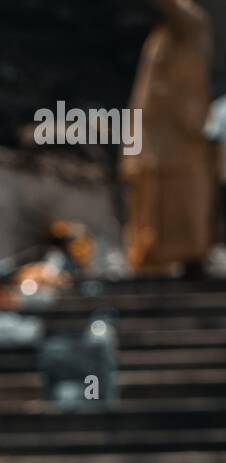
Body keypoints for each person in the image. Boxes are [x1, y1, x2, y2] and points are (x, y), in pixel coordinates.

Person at [122, 0, 214, 274]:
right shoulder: (160, 38)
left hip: (178, 132)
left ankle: (189, 256)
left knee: (182, 199)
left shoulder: (192, 24)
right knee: (154, 201)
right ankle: (153, 258)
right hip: (155, 131)